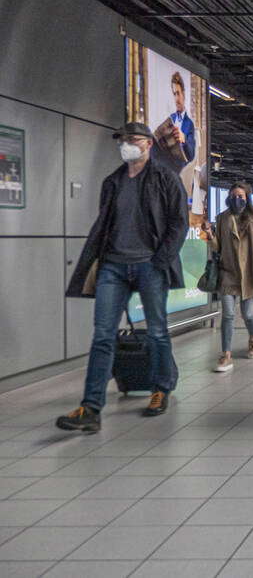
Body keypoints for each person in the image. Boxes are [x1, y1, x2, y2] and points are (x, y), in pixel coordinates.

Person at [58, 123, 188, 432]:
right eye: (123, 140)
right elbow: (104, 223)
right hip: (113, 266)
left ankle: (161, 389)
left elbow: (178, 223)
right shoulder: (112, 182)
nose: (127, 144)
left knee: (157, 331)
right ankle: (90, 408)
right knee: (103, 335)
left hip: (149, 265)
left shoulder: (165, 178)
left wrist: (160, 261)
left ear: (148, 145)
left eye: (133, 139)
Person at [205, 182, 253, 373]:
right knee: (228, 314)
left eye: (241, 196)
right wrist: (210, 235)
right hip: (228, 272)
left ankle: (252, 339)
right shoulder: (223, 218)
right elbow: (218, 247)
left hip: (249, 272)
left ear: (247, 198)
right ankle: (226, 354)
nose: (237, 199)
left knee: (248, 314)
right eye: (234, 195)